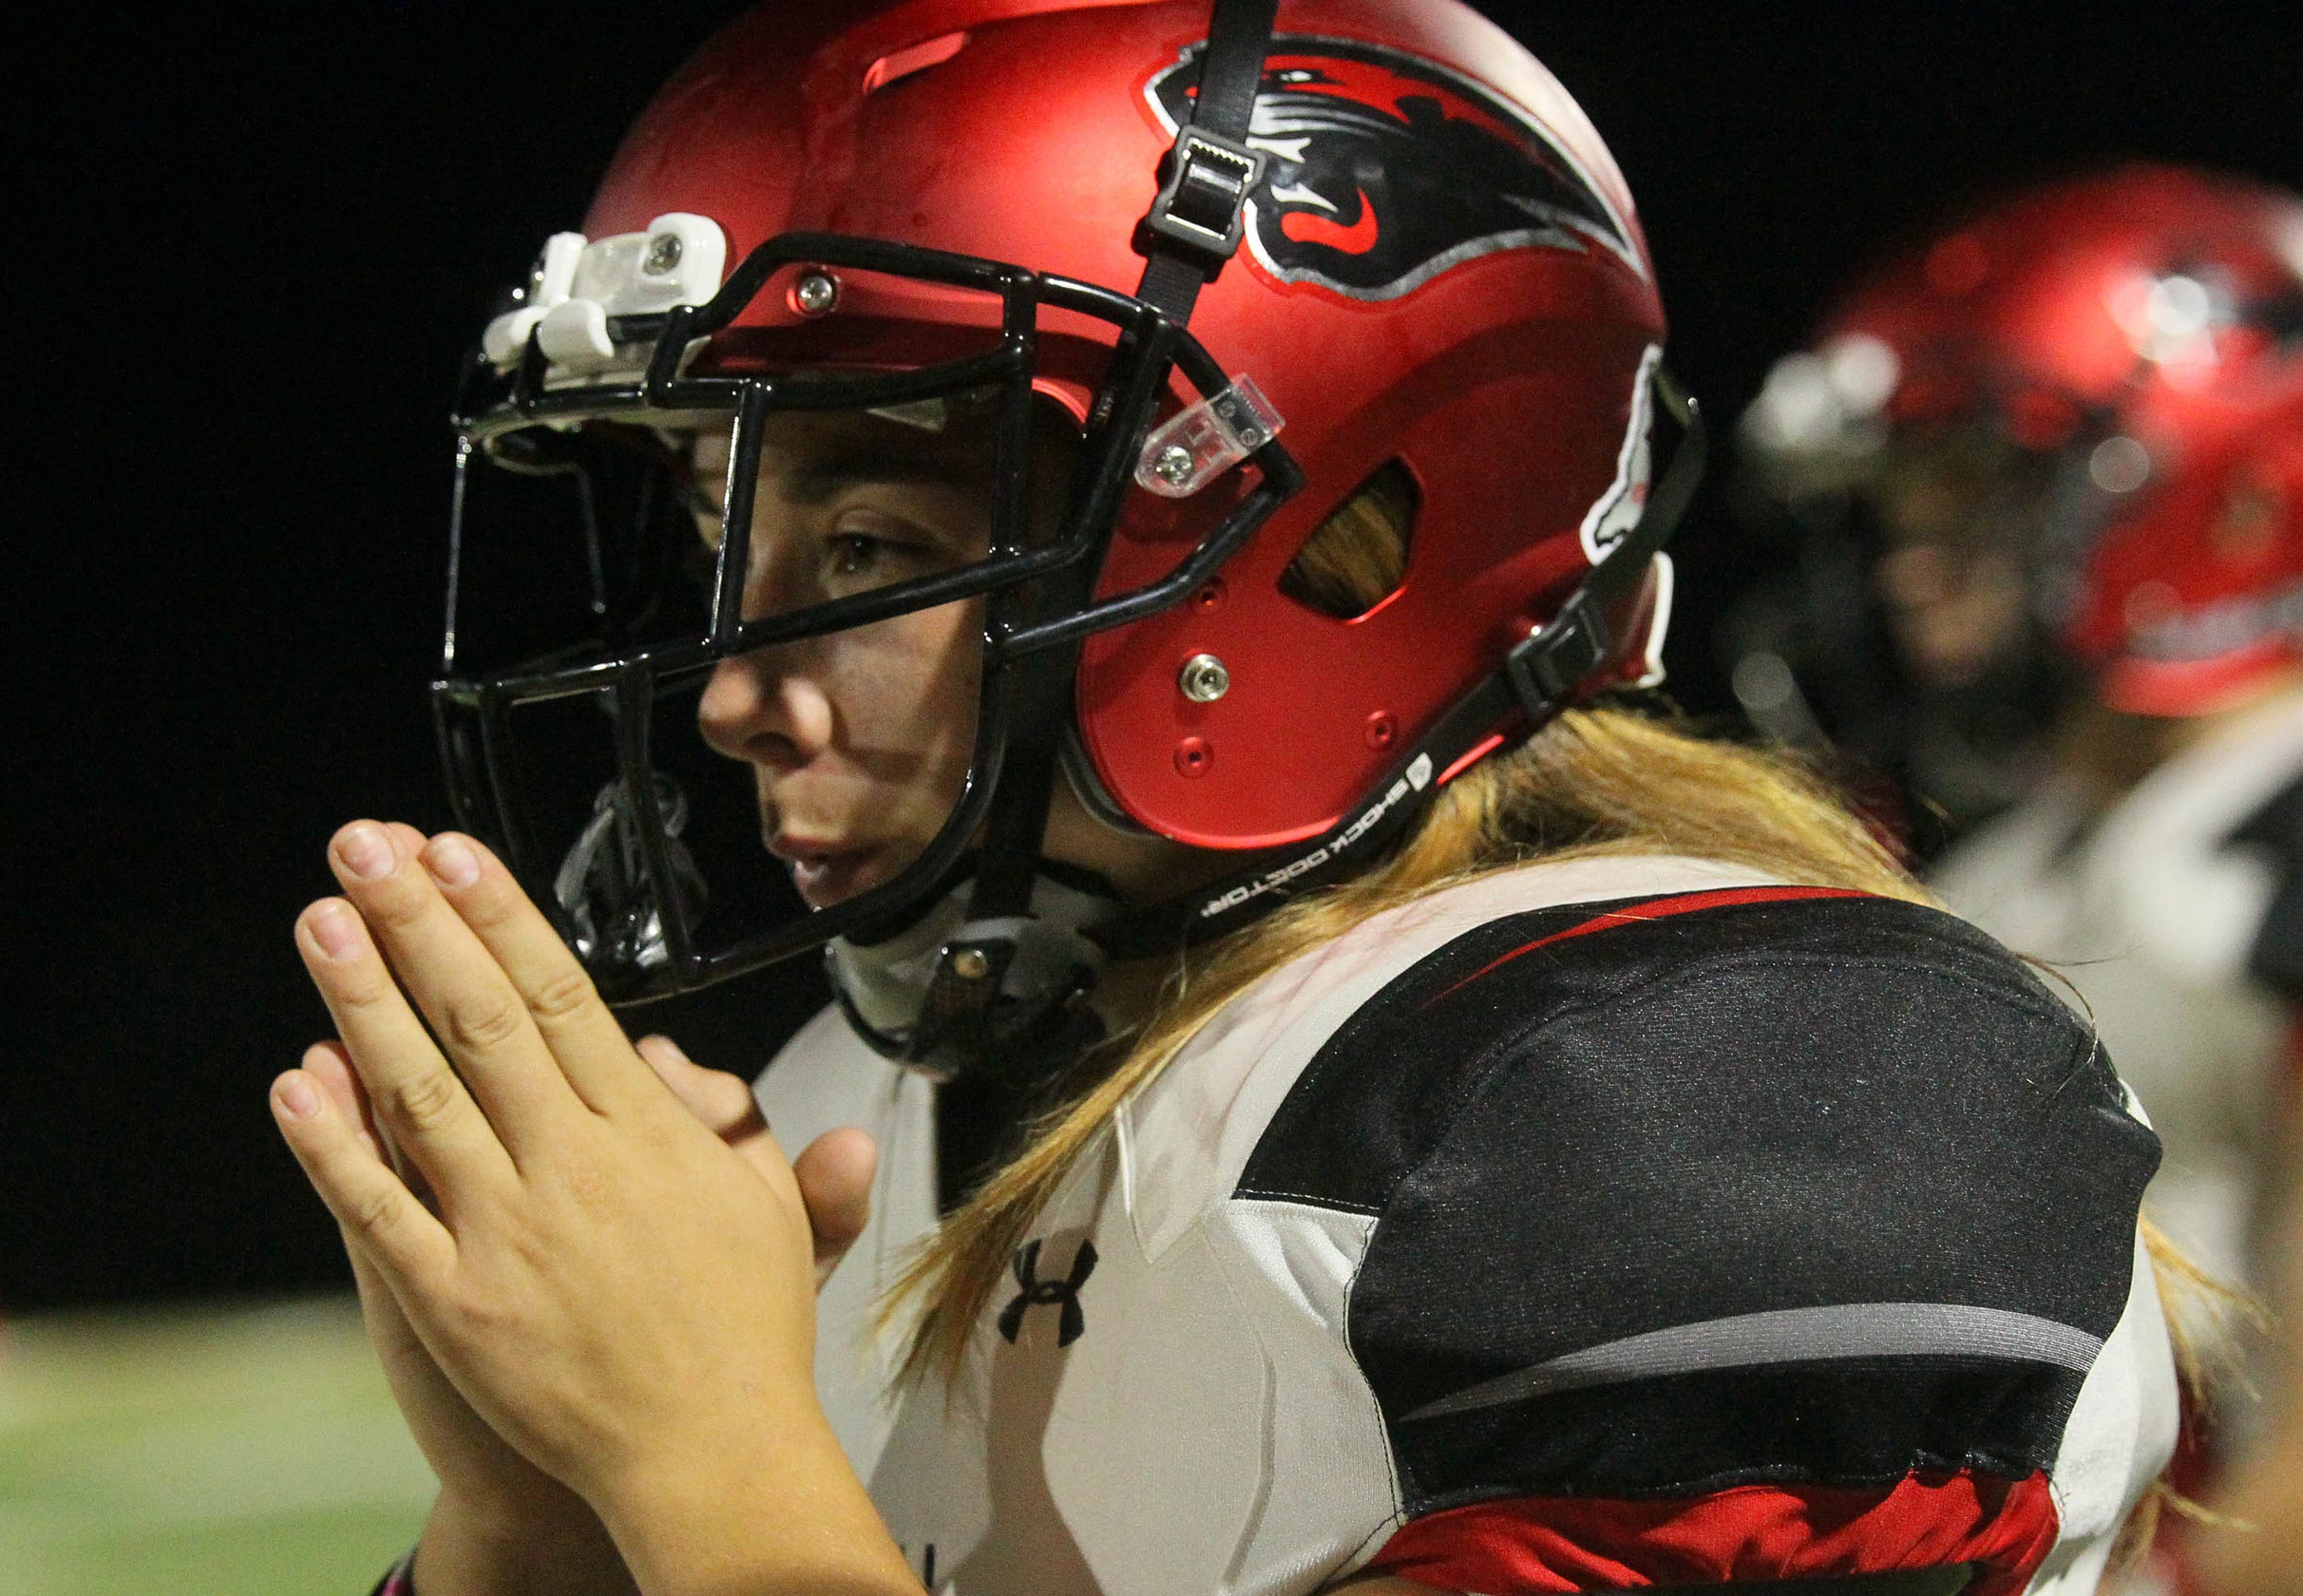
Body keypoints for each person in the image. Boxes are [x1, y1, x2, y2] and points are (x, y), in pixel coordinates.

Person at [271, 5, 2183, 1592]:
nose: (728, 696)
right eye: (716, 542)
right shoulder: (857, 1106)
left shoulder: (1708, 1091)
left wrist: (710, 1472)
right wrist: (530, 1534)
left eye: (865, 550)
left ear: (1349, 538)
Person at [1741, 165, 2303, 1596]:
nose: (1913, 567)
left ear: (2235, 485)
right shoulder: (2035, 856)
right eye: (1902, 504)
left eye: (1979, 493)